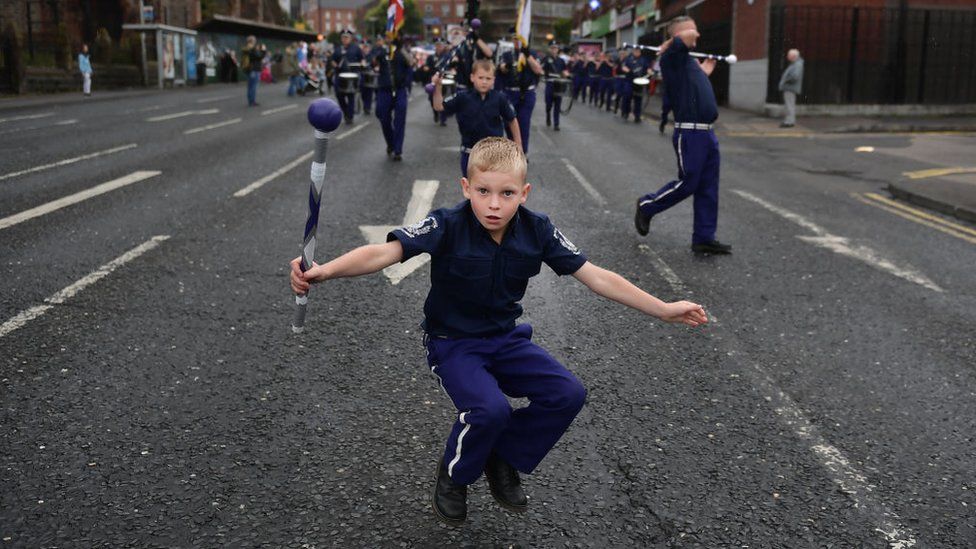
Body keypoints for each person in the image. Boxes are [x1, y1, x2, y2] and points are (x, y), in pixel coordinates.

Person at [288, 137, 709, 526]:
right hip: (453, 344)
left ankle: (502, 457)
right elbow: (384, 252)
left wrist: (664, 309)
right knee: (490, 410)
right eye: (483, 191)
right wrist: (325, 272)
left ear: (523, 194)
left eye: (507, 194)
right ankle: (455, 476)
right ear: (466, 187)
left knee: (567, 393)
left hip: (505, 340)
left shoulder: (537, 228)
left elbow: (596, 276)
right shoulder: (446, 224)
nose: (494, 204)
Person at [634, 16, 732, 255]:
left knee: (708, 187)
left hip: (707, 133)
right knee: (689, 182)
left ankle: (704, 237)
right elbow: (682, 40)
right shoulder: (673, 55)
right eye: (692, 31)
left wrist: (704, 73)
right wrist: (675, 39)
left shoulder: (686, 60)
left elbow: (690, 87)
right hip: (690, 133)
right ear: (678, 34)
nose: (697, 35)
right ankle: (647, 205)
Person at [432, 59, 520, 177]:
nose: (484, 82)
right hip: (470, 153)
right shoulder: (462, 97)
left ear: (493, 80)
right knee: (472, 191)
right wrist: (438, 86)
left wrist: (518, 145)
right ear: (472, 77)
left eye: (488, 78)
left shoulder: (500, 98)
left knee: (491, 190)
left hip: (493, 154)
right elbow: (438, 106)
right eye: (480, 77)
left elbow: (512, 120)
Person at [497, 32, 543, 155]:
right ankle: (512, 149)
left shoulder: (531, 54)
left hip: (526, 93)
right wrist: (506, 65)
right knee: (509, 122)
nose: (517, 42)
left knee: (524, 123)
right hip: (510, 93)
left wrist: (527, 55)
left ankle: (523, 153)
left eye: (519, 39)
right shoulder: (507, 54)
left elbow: (538, 70)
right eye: (515, 39)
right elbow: (501, 68)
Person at [372, 35, 415, 161]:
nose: (390, 38)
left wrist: (407, 84)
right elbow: (372, 62)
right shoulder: (381, 50)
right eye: (387, 35)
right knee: (383, 116)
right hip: (384, 89)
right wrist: (381, 52)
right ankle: (391, 143)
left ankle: (397, 150)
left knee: (399, 120)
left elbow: (411, 65)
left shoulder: (403, 51)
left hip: (400, 90)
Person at [331, 30, 365, 124]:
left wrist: (361, 65)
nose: (345, 39)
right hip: (340, 75)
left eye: (347, 37)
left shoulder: (356, 48)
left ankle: (349, 116)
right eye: (343, 37)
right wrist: (334, 65)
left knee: (351, 96)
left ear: (350, 38)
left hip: (352, 76)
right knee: (339, 95)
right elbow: (333, 60)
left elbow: (362, 59)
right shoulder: (338, 49)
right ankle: (346, 111)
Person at [542, 41, 569, 130]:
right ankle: (548, 114)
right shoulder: (546, 59)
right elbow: (541, 69)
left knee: (557, 104)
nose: (554, 50)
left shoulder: (561, 60)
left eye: (556, 48)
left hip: (558, 84)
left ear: (558, 50)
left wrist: (567, 75)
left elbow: (565, 70)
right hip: (550, 83)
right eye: (552, 48)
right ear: (550, 49)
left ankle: (556, 124)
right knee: (548, 104)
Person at [620, 46, 650, 123]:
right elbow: (623, 67)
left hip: (639, 82)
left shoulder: (644, 60)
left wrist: (650, 71)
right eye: (635, 51)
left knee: (638, 99)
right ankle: (626, 112)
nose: (637, 52)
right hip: (629, 81)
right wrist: (627, 70)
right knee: (627, 97)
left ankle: (637, 116)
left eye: (638, 51)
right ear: (633, 51)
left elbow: (648, 68)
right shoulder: (628, 59)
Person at [778, 48, 803, 128]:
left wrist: (785, 80)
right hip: (790, 88)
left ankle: (789, 122)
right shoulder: (795, 64)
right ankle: (789, 121)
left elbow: (795, 76)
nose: (787, 56)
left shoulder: (797, 64)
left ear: (794, 56)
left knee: (789, 106)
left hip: (790, 88)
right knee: (789, 105)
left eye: (789, 55)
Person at [242, 36, 264, 106]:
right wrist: (263, 50)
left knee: (250, 86)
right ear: (252, 41)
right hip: (254, 69)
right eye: (254, 40)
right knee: (253, 86)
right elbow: (259, 57)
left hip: (249, 69)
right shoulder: (252, 48)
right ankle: (252, 102)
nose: (255, 41)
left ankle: (250, 101)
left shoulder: (246, 48)